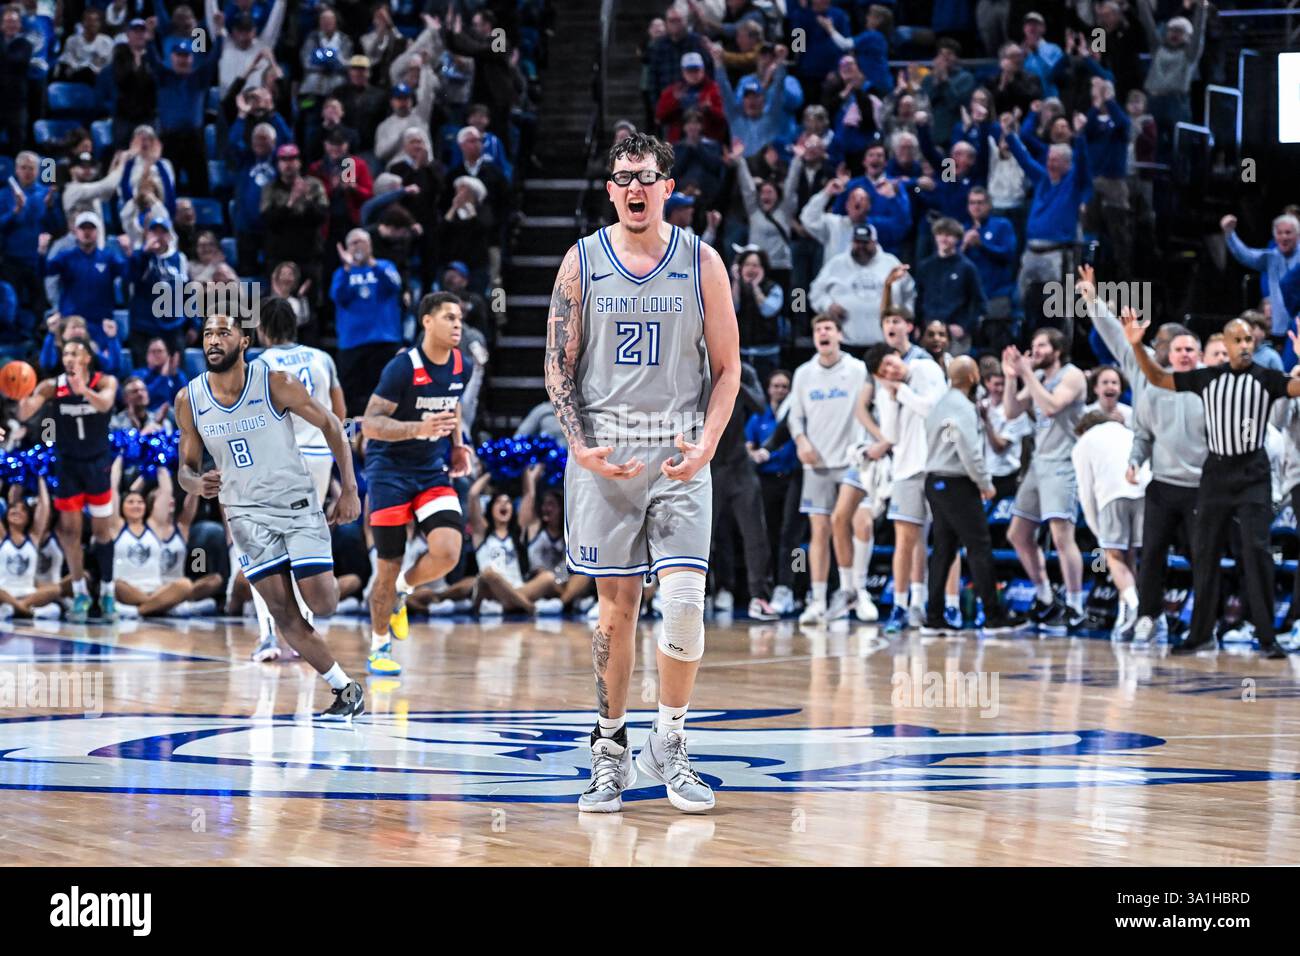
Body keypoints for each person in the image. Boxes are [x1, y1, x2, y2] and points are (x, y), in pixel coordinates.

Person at [543, 130, 740, 814]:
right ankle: (610, 747)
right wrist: (579, 445)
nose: (634, 188)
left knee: (684, 601)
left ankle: (671, 740)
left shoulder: (701, 260)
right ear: (610, 190)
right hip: (608, 456)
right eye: (623, 177)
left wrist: (708, 443)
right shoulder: (582, 261)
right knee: (616, 608)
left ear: (666, 188)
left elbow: (728, 369)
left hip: (680, 454)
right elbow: (557, 366)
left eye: (646, 177)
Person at [177, 313, 365, 717]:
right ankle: (345, 688)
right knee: (283, 612)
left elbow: (333, 424)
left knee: (323, 603)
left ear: (245, 341)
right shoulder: (189, 399)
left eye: (223, 333)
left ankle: (311, 570)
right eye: (208, 334)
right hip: (245, 516)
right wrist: (197, 483)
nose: (213, 340)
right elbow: (185, 469)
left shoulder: (275, 382)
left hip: (295, 504)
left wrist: (349, 488)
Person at [1122, 311, 1295, 659]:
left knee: (1256, 550)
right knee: (1205, 553)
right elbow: (1157, 378)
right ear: (1225, 345)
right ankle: (1200, 634)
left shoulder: (1267, 378)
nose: (1244, 345)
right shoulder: (1206, 377)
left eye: (1249, 340)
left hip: (1253, 472)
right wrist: (1137, 346)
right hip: (1215, 473)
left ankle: (1266, 636)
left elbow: (1297, 387)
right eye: (1237, 340)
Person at [360, 292, 473, 676]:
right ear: (427, 321)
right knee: (387, 564)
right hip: (389, 471)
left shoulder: (462, 365)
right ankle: (379, 647)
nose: (457, 325)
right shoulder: (402, 367)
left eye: (459, 319)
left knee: (449, 551)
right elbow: (370, 424)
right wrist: (418, 429)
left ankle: (403, 591)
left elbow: (453, 402)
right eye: (448, 317)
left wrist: (457, 445)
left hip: (430, 470)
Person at [247, 297, 346, 658]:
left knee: (263, 547)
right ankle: (305, 632)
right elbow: (338, 415)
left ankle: (268, 636)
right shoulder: (323, 359)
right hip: (319, 457)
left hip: (280, 458)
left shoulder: (260, 364)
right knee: (305, 544)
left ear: (262, 330)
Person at [920, 355, 1025, 635]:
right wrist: (984, 482)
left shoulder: (939, 405)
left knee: (943, 549)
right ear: (972, 377)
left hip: (935, 481)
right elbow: (967, 448)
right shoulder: (963, 408)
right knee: (979, 546)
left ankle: (934, 617)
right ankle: (993, 616)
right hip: (957, 483)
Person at [17, 337, 118, 622]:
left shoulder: (104, 381)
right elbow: (25, 413)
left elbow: (105, 405)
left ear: (87, 358)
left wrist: (83, 390)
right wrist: (21, 392)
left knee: (102, 532)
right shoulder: (52, 386)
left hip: (98, 465)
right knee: (70, 532)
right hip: (69, 466)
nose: (70, 358)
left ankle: (108, 591)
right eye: (66, 354)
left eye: (75, 353)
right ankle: (80, 592)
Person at [1002, 328, 1088, 632]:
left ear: (1057, 350)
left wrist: (1027, 374)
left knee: (1062, 537)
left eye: (1041, 346)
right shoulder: (1037, 377)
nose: (1035, 351)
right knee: (1018, 534)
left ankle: (1075, 606)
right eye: (1033, 345)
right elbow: (1011, 411)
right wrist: (1011, 377)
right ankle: (1045, 597)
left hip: (1063, 463)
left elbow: (1051, 407)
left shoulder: (1071, 375)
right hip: (1039, 463)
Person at [787, 314, 868, 625]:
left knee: (858, 524)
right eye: (818, 329)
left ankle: (857, 592)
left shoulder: (857, 369)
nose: (823, 333)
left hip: (852, 461)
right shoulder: (804, 374)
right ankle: (818, 600)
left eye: (828, 328)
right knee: (819, 530)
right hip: (817, 463)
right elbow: (795, 417)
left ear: (840, 335)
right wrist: (801, 441)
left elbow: (870, 407)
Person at [869, 338, 948, 633]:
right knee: (905, 542)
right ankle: (902, 605)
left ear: (897, 355)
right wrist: (890, 399)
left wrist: (901, 392)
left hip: (938, 467)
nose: (890, 371)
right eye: (883, 372)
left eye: (890, 363)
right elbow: (890, 435)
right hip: (905, 470)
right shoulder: (885, 392)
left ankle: (944, 604)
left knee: (945, 538)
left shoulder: (926, 369)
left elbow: (933, 409)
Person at [1072, 410, 1148, 639]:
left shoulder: (1084, 442)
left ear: (1083, 430)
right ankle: (1125, 617)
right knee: (1129, 556)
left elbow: (1086, 492)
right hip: (1143, 492)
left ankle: (1137, 608)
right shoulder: (1126, 432)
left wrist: (1097, 532)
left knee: (1113, 556)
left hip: (1112, 495)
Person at [0, 479, 63, 619]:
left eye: (23, 509)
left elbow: (44, 507)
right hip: (4, 593)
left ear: (29, 518)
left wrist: (40, 477)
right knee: (53, 610)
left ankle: (16, 608)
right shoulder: (3, 537)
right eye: (13, 508)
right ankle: (28, 611)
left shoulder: (33, 538)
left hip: (28, 593)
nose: (17, 511)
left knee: (55, 589)